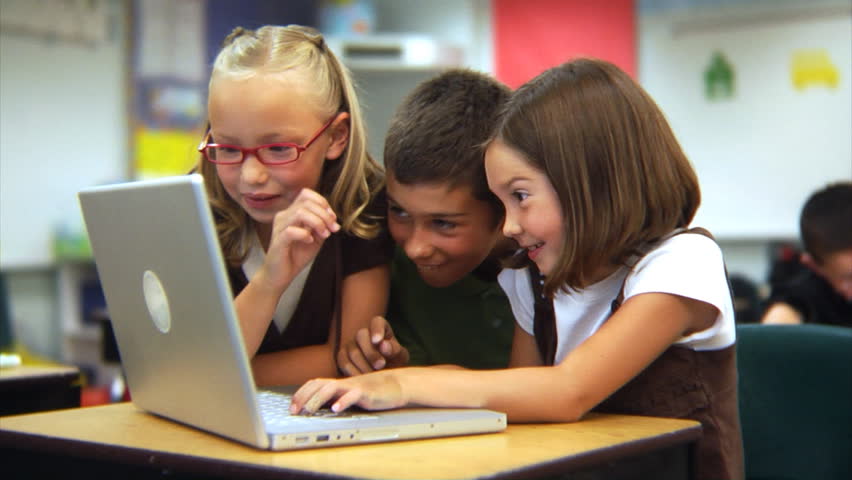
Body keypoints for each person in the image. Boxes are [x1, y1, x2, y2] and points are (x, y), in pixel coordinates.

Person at [291, 58, 744, 480]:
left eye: (520, 197)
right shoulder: (530, 278)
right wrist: (378, 387)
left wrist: (402, 383)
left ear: (591, 184)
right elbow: (515, 396)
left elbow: (567, 392)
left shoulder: (680, 265)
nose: (508, 225)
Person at [195, 25, 394, 386]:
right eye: (228, 149)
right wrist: (269, 281)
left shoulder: (365, 205)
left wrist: (215, 375)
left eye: (278, 149)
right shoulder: (196, 208)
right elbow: (198, 367)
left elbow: (347, 358)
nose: (251, 175)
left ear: (336, 137)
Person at [336, 69, 516, 375]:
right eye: (400, 212)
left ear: (505, 207)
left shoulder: (546, 272)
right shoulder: (385, 264)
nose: (415, 249)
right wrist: (396, 366)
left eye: (444, 224)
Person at [761, 181, 852, 326]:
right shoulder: (803, 299)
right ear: (814, 266)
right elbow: (785, 312)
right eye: (849, 278)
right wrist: (783, 313)